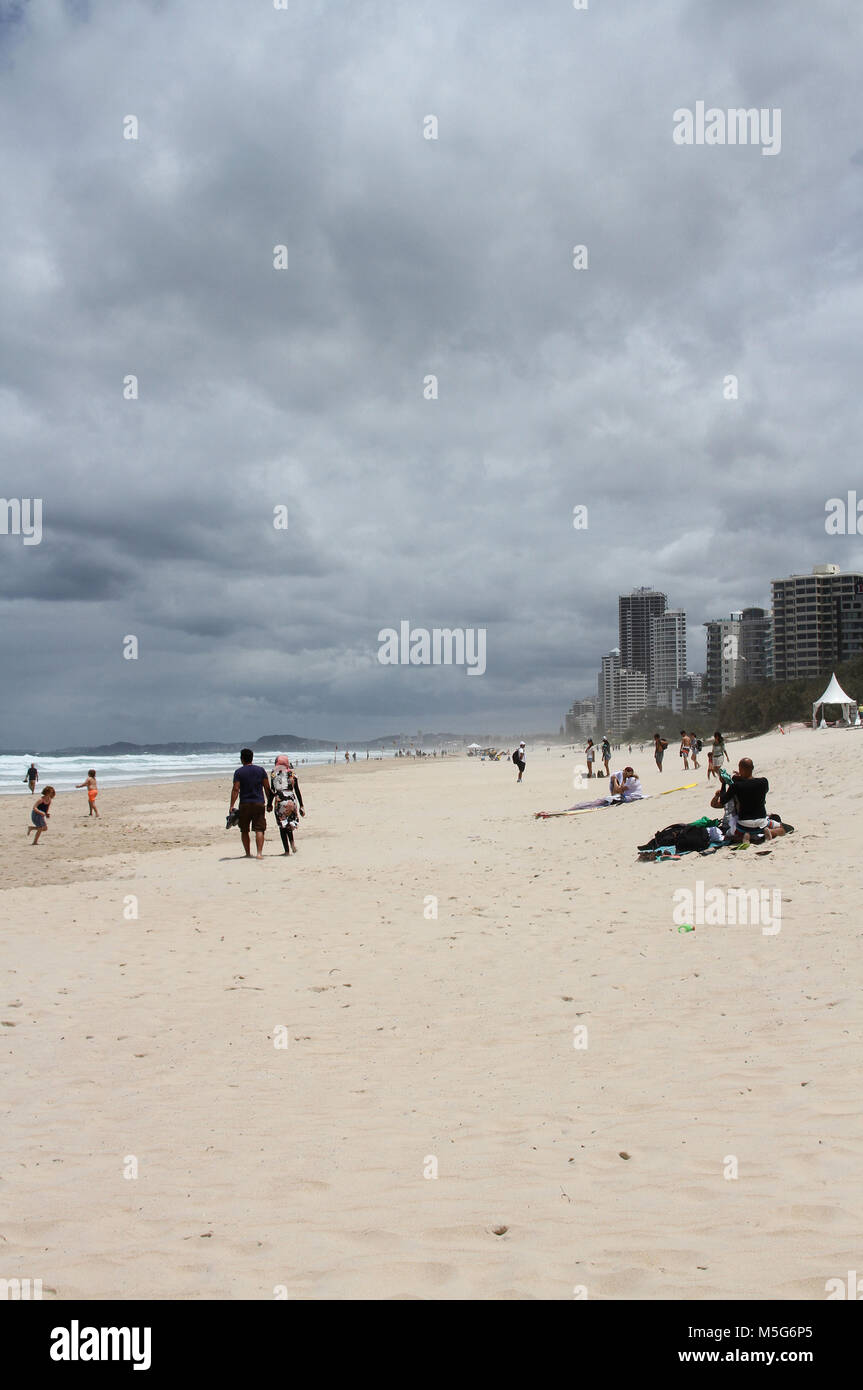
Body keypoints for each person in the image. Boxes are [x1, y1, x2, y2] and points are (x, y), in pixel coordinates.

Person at [710, 756, 786, 843]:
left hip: (743, 824)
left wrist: (724, 784)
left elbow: (723, 800)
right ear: (753, 768)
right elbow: (755, 788)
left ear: (740, 769)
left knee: (727, 836)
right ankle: (770, 832)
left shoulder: (736, 786)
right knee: (781, 829)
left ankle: (747, 837)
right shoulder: (763, 782)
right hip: (762, 822)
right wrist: (741, 778)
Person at [229, 748, 272, 859]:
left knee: (244, 829)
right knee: (259, 829)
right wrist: (270, 803)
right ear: (252, 758)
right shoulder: (261, 770)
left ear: (242, 759)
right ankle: (259, 853)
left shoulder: (238, 772)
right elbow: (267, 788)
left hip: (245, 804)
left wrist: (231, 805)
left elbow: (236, 789)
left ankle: (248, 853)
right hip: (259, 803)